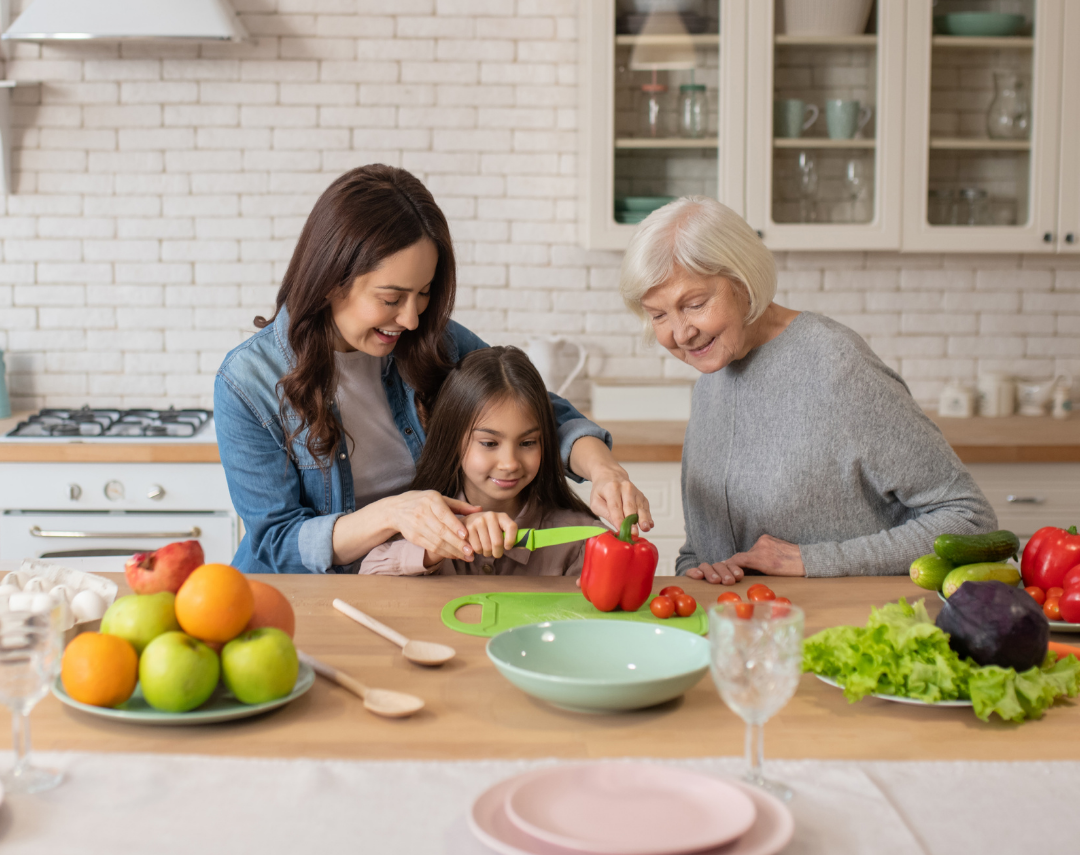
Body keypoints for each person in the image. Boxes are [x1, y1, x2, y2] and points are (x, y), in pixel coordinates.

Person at [215, 165, 650, 574]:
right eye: (390, 298)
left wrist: (605, 470)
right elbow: (277, 544)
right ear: (331, 281)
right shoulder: (247, 383)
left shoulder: (432, 341)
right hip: (305, 595)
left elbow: (538, 414)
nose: (410, 319)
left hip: (409, 578)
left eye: (423, 294)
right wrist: (392, 514)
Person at [618, 196, 996, 585]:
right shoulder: (711, 377)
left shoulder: (836, 366)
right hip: (745, 630)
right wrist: (701, 571)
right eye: (659, 315)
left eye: (695, 304)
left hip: (835, 628)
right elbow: (700, 546)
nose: (680, 333)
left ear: (743, 281)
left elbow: (970, 521)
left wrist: (811, 559)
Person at [360, 346, 600, 576]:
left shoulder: (581, 539)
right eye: (489, 443)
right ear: (453, 440)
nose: (510, 464)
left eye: (527, 443)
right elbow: (367, 578)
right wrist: (437, 547)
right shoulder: (418, 525)